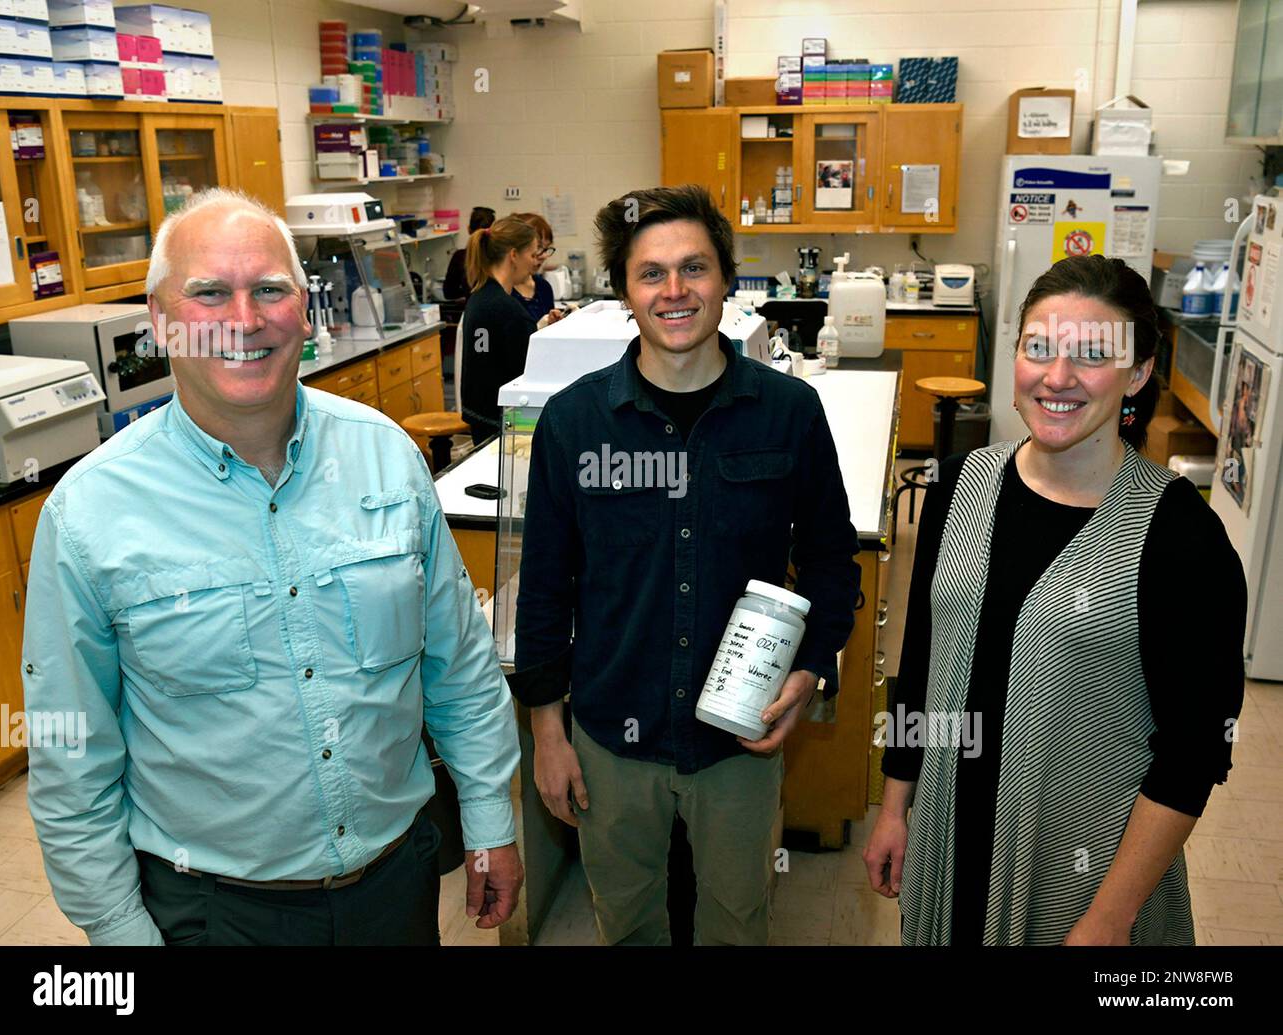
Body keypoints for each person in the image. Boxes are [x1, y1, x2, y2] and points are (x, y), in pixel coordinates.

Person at [22, 188, 523, 946]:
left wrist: (489, 818)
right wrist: (120, 929)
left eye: (270, 290)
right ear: (159, 322)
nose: (245, 319)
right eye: (209, 293)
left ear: (306, 308)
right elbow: (71, 755)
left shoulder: (386, 456)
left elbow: (459, 664)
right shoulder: (89, 513)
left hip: (395, 887)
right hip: (215, 913)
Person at [509, 184, 861, 945]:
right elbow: (543, 589)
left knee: (737, 925)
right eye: (651, 273)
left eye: (695, 268)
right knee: (627, 924)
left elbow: (833, 561)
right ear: (624, 291)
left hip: (738, 743)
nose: (675, 291)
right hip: (610, 739)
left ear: (727, 281)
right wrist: (547, 733)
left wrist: (810, 669)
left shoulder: (788, 413)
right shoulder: (573, 424)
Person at [863, 254, 1247, 946]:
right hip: (951, 849)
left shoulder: (1180, 538)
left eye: (1092, 356)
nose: (1058, 378)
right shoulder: (958, 486)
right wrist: (897, 804)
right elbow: (922, 659)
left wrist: (1108, 918)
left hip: (1082, 880)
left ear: (1138, 372)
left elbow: (1194, 755)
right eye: (1038, 348)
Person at [459, 215, 560, 444]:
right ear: (514, 255)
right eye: (533, 254)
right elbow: (527, 370)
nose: (535, 263)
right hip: (502, 422)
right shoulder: (507, 310)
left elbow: (491, 356)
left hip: (481, 416)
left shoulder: (480, 297)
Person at [510, 212, 559, 323]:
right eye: (539, 247)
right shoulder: (502, 291)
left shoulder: (543, 287)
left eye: (547, 249)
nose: (544, 256)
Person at [441, 205, 494, 302]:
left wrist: (467, 293)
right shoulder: (499, 256)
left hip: (471, 312)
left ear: (469, 229)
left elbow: (449, 293)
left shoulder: (460, 257)